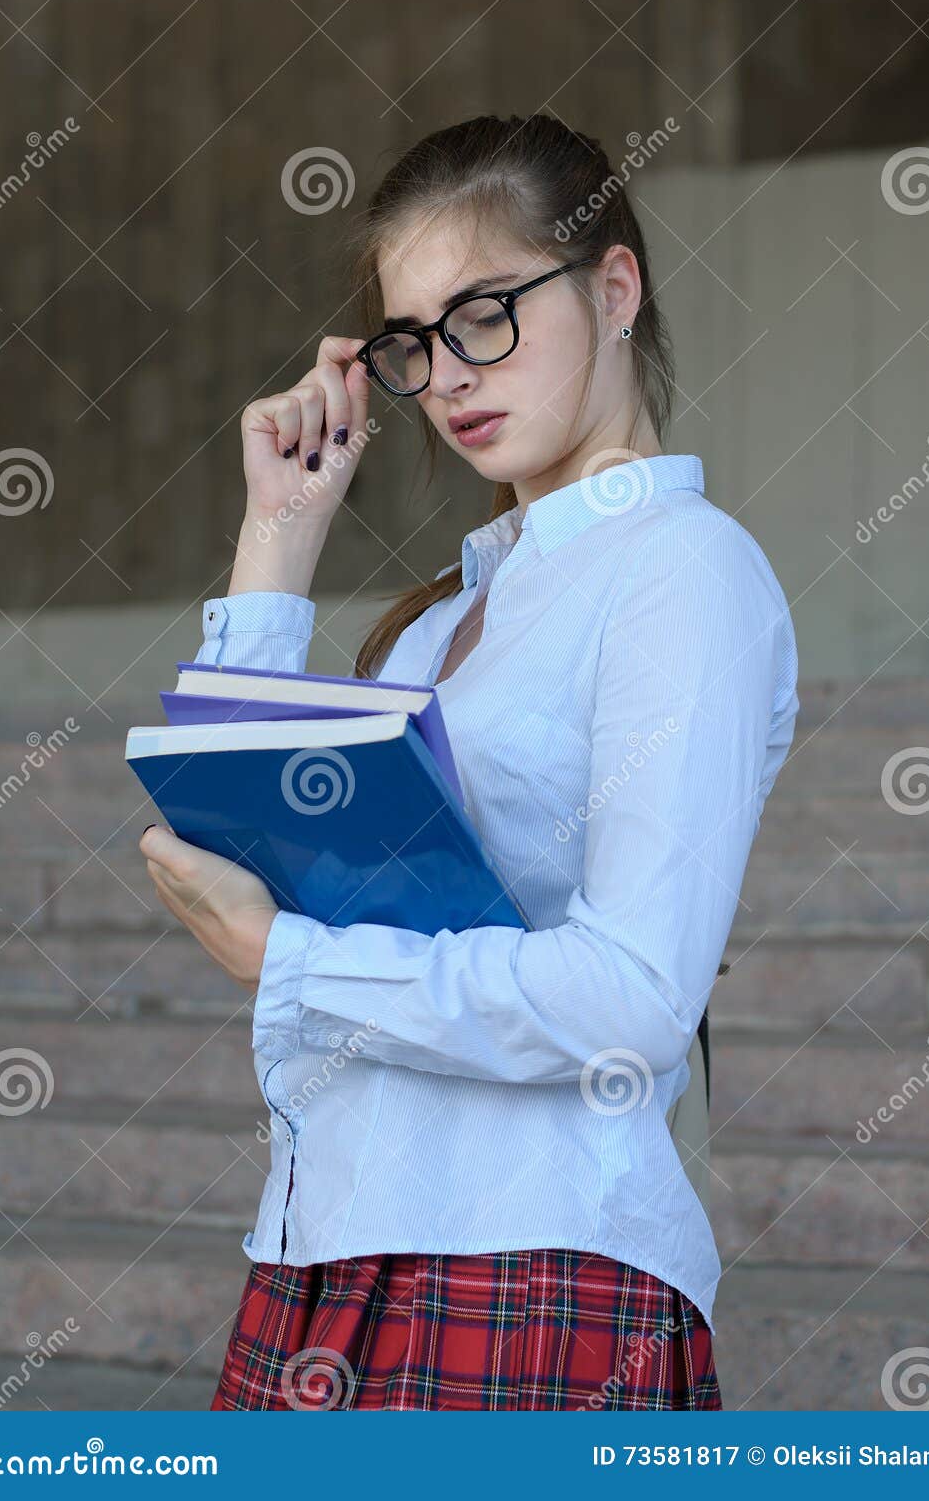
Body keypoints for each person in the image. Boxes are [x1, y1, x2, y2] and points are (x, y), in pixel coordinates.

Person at [140, 112, 799, 1411]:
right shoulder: (439, 621)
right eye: (410, 339)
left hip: (536, 1263)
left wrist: (293, 959)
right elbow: (244, 833)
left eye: (484, 314)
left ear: (614, 288)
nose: (445, 375)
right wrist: (280, 536)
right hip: (335, 1236)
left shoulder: (683, 571)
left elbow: (633, 998)